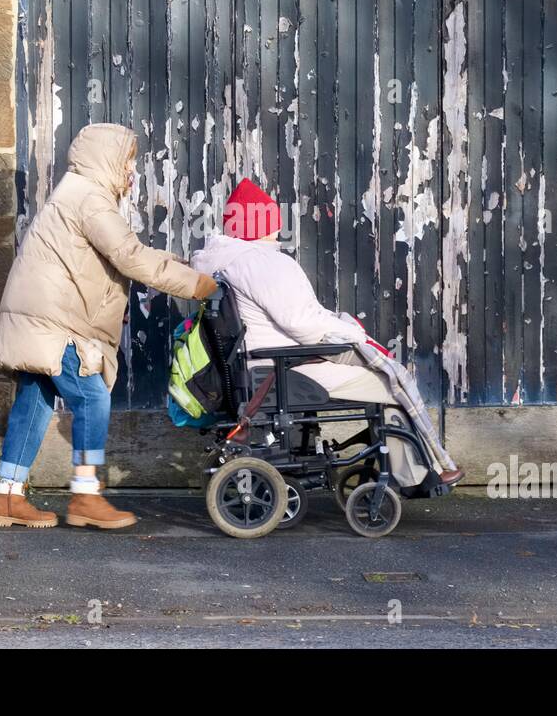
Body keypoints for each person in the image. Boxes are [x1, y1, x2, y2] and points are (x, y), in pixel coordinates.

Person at [0, 123, 218, 530]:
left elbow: (110, 259)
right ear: (107, 159)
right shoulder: (89, 198)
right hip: (55, 319)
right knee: (92, 398)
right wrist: (196, 284)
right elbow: (127, 256)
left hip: (39, 314)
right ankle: (85, 493)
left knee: (35, 400)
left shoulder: (75, 193)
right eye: (128, 161)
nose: (131, 170)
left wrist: (178, 265)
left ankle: (8, 496)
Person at [191, 178, 462, 489]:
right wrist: (351, 331)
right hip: (283, 370)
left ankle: (419, 468)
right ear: (262, 223)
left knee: (378, 368)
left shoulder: (223, 262)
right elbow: (303, 324)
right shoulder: (263, 262)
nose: (279, 229)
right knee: (390, 382)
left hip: (263, 367)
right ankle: (416, 476)